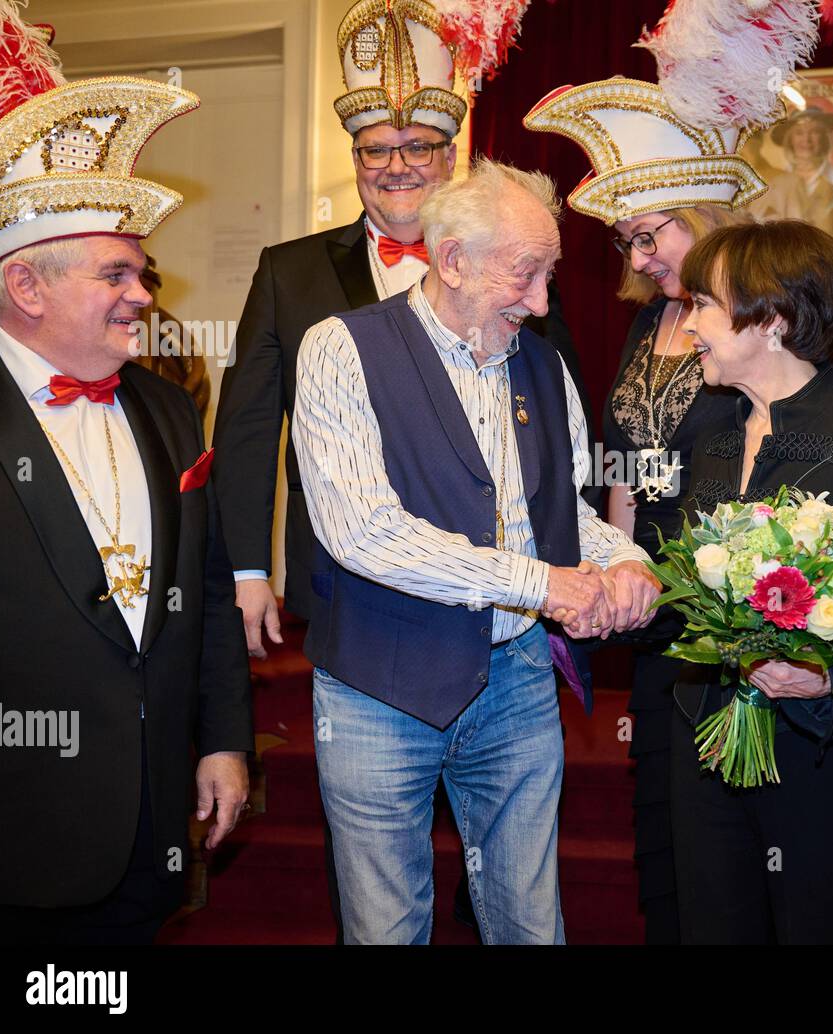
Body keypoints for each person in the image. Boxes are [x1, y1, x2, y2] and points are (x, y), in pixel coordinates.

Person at [210, 0, 581, 936]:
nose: (398, 164)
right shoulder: (292, 270)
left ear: (451, 156)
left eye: (418, 146)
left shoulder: (518, 271)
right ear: (356, 160)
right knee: (378, 885)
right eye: (377, 149)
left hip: (504, 629)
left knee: (512, 889)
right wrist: (247, 568)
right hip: (362, 603)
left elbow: (551, 435)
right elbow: (248, 427)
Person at [525, 36, 833, 942]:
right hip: (658, 622)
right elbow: (623, 460)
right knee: (677, 849)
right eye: (626, 241)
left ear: (707, 213)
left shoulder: (783, 327)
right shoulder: (648, 326)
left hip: (756, 623)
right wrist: (613, 570)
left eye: (654, 234)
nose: (640, 256)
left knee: (770, 862)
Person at [291, 159, 661, 945]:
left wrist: (625, 560)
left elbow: (561, 516)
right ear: (453, 259)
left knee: (530, 921)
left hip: (517, 678)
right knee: (387, 928)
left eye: (549, 274)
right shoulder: (341, 349)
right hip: (379, 684)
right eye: (525, 274)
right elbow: (361, 532)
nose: (542, 301)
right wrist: (540, 584)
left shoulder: (544, 363)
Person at [0, 4, 253, 944]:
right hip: (6, 838)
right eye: (115, 276)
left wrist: (223, 742)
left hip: (149, 826)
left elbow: (207, 596)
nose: (143, 295)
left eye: (142, 272)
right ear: (26, 286)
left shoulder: (168, 410)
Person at [669, 219, 833, 944]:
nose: (689, 325)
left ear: (773, 319)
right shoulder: (711, 441)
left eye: (704, 305)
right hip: (705, 742)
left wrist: (829, 677)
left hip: (816, 756)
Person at [753, 107, 833, 234]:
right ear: (790, 140)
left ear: (824, 138)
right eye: (799, 133)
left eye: (814, 132)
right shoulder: (775, 182)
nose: (806, 140)